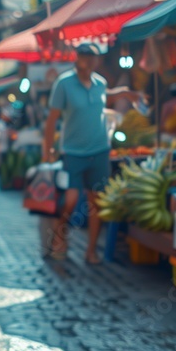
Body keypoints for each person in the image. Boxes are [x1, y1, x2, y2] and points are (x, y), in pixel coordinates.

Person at [42, 42, 144, 264]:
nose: (88, 61)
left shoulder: (100, 83)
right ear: (76, 58)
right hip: (72, 152)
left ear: (97, 60)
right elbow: (51, 121)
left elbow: (105, 96)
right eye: (84, 56)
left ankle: (91, 251)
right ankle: (59, 238)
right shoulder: (64, 84)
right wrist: (47, 149)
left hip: (99, 151)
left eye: (92, 57)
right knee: (70, 200)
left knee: (96, 204)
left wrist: (126, 93)